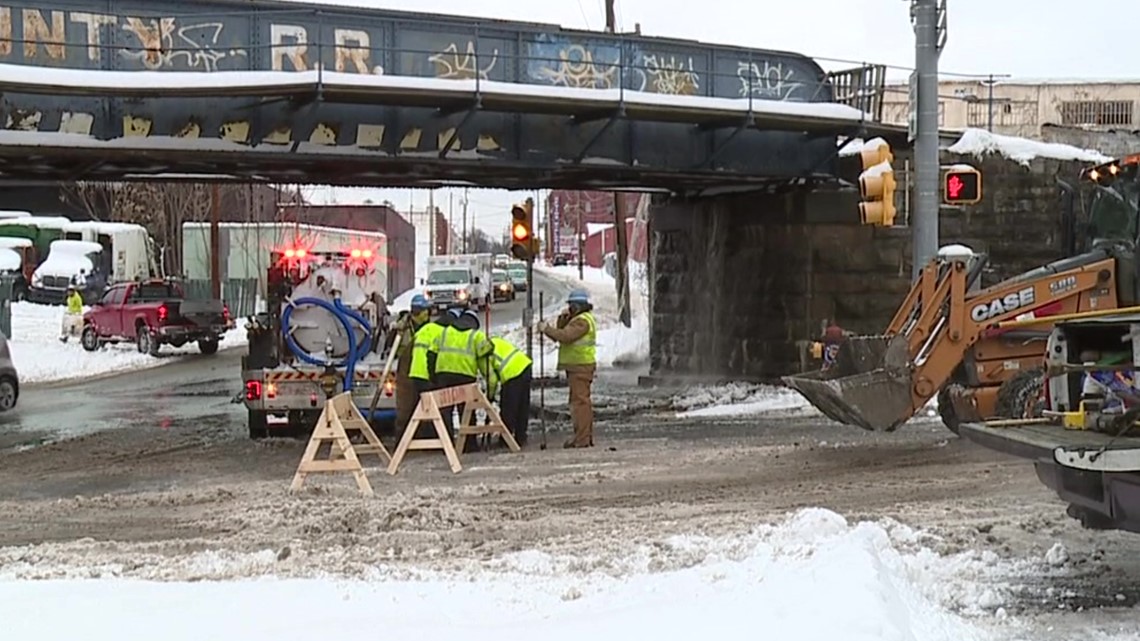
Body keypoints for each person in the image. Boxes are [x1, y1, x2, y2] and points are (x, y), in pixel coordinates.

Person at [538, 289, 597, 448]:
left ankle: (583, 438)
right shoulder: (577, 319)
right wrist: (563, 318)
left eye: (571, 306)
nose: (569, 308)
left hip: (581, 366)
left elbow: (565, 336)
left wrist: (546, 329)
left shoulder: (582, 321)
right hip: (577, 366)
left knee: (580, 403)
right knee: (577, 402)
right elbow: (562, 330)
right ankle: (582, 436)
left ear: (577, 306)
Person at [433, 307, 493, 438]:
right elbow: (486, 352)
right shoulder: (476, 335)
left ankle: (446, 441)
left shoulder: (445, 331)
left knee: (445, 410)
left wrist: (433, 376)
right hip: (465, 376)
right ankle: (469, 443)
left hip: (443, 375)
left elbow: (432, 352)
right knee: (467, 411)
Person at [484, 335, 533, 447]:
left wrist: (490, 396)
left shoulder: (483, 356)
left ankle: (506, 440)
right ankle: (521, 437)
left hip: (512, 374)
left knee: (508, 408)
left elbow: (492, 381)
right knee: (522, 406)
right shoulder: (495, 340)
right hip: (524, 365)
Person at [393, 294, 432, 434]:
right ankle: (402, 438)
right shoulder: (402, 329)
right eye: (423, 311)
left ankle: (423, 436)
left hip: (424, 373)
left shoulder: (430, 328)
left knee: (426, 408)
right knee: (405, 409)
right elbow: (393, 350)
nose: (426, 314)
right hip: (406, 374)